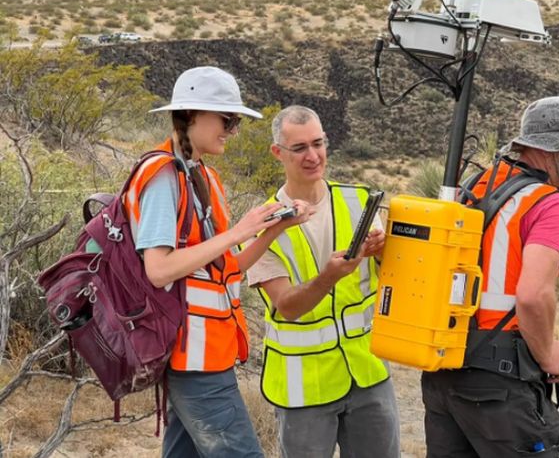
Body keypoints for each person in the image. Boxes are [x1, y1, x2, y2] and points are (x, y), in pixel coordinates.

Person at [130, 66, 311, 458]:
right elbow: (158, 269)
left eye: (236, 122)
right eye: (226, 119)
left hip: (209, 351)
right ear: (190, 116)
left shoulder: (205, 178)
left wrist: (275, 229)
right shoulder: (162, 176)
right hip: (192, 359)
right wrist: (238, 231)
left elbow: (228, 271)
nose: (232, 129)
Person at [421, 96, 559, 458]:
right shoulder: (553, 204)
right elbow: (532, 296)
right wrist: (548, 355)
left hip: (442, 375)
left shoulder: (477, 186)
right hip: (500, 386)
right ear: (549, 147)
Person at [247, 105, 401, 458]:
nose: (313, 156)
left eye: (318, 144)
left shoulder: (358, 200)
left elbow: (392, 277)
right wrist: (327, 278)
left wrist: (382, 252)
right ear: (277, 153)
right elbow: (286, 307)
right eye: (299, 148)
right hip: (304, 390)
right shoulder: (262, 225)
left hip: (368, 373)